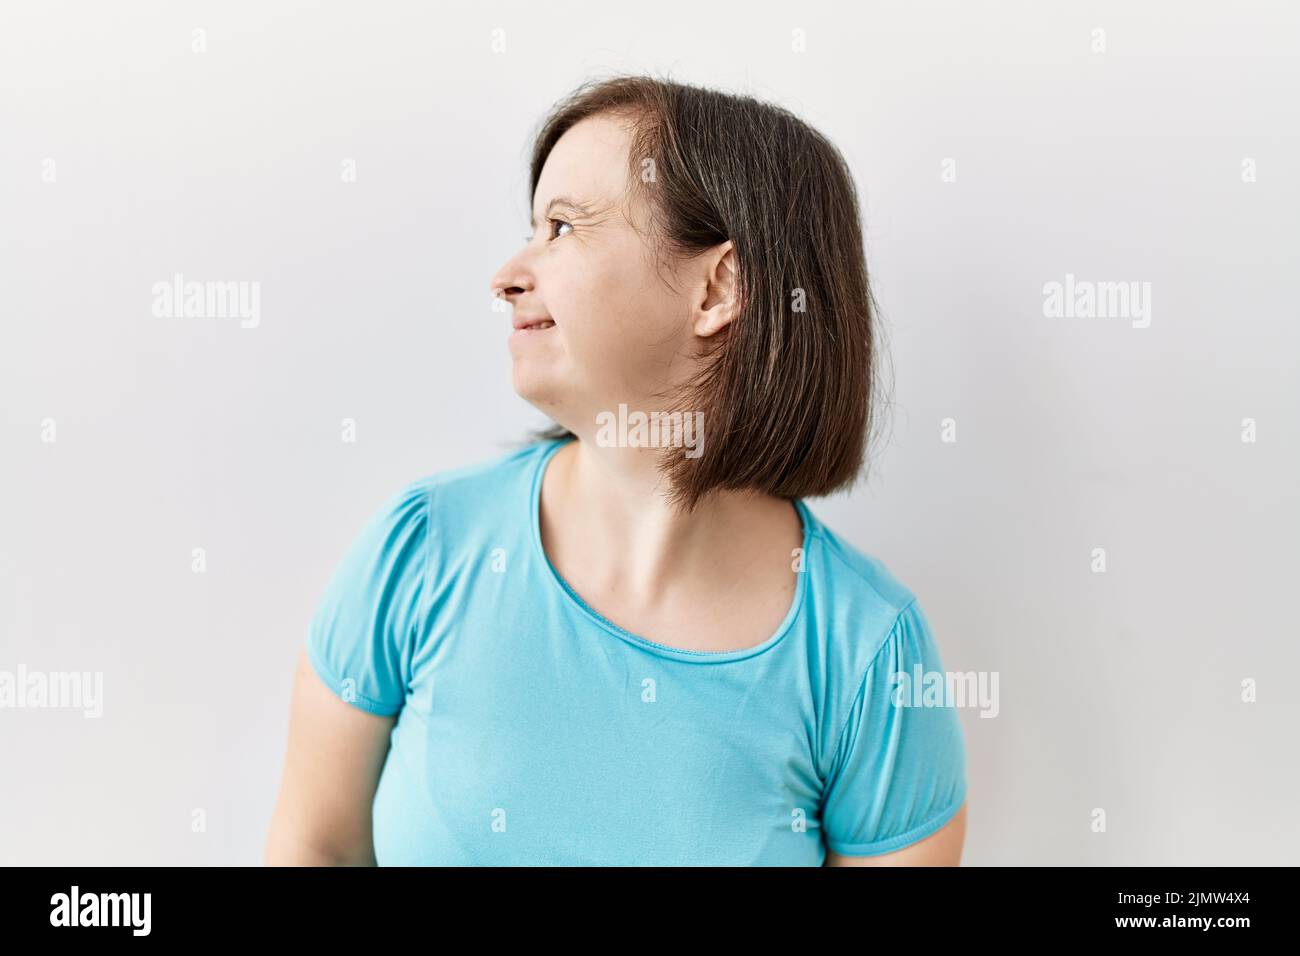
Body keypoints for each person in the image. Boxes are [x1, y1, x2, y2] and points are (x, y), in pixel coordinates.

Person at [265, 75, 968, 866]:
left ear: (719, 288)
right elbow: (312, 847)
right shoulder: (420, 551)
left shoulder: (869, 654)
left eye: (562, 228)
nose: (506, 275)